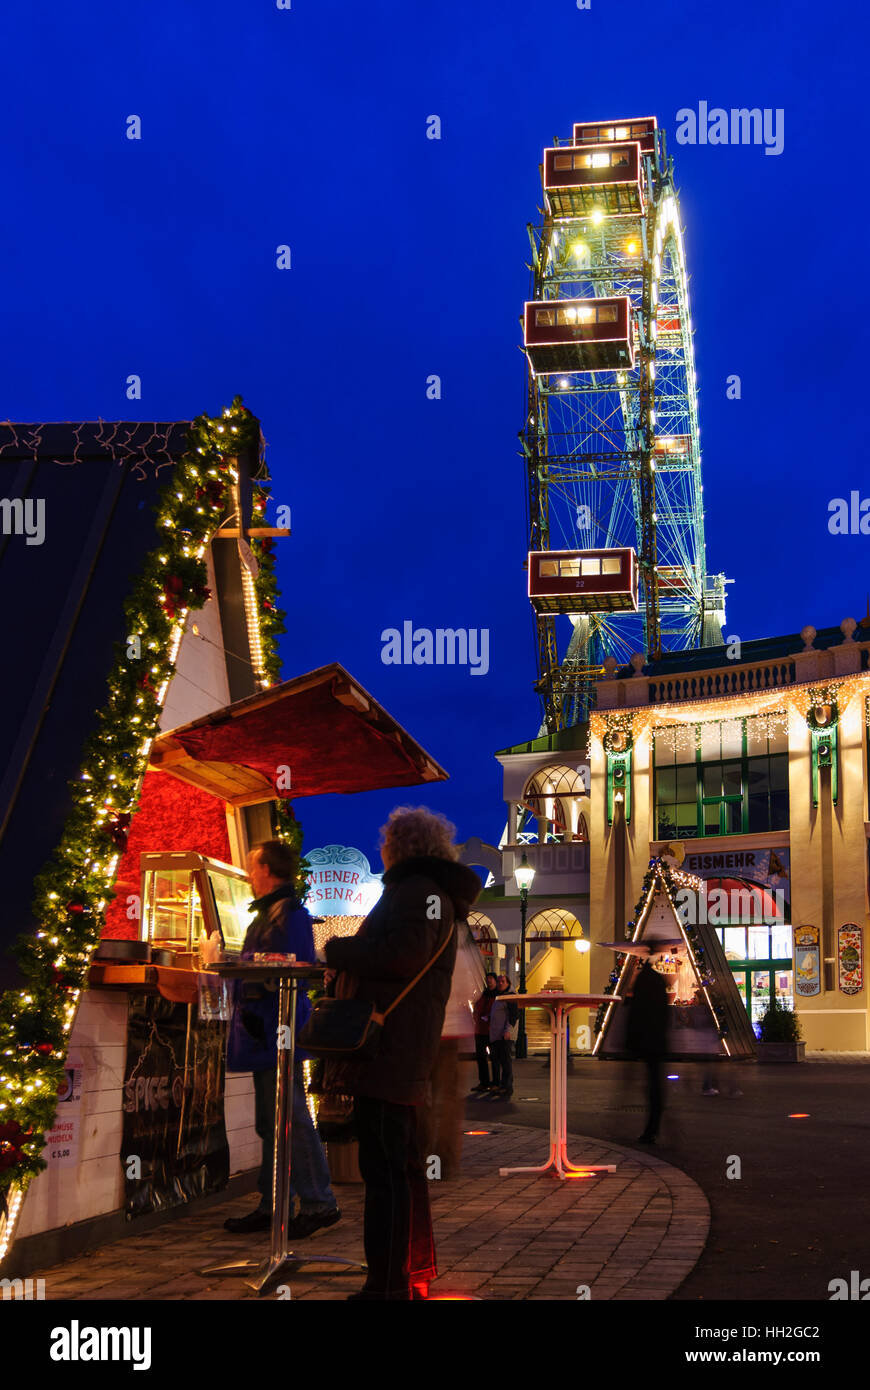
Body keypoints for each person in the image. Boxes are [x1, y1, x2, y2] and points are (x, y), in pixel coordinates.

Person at [323, 806, 481, 1300]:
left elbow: (403, 956)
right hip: (403, 1048)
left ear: (402, 845)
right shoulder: (427, 893)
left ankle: (385, 1284)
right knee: (400, 1165)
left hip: (391, 1049)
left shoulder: (417, 893)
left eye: (386, 840)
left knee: (387, 1169)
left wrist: (338, 949)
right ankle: (405, 1272)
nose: (381, 848)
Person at [224, 839, 340, 1237]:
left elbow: (289, 968)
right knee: (271, 1121)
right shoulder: (277, 911)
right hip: (268, 1029)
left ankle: (317, 1201)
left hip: (276, 1029)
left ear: (268, 870)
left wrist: (245, 970)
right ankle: (274, 1202)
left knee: (289, 1117)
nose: (249, 875)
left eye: (253, 867)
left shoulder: (287, 913)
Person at [419, 919, 485, 1178]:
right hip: (454, 1032)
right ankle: (444, 1161)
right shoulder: (461, 955)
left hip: (425, 1031)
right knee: (448, 1102)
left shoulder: (424, 951)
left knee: (421, 1097)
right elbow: (475, 990)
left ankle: (421, 1154)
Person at [625, 948, 671, 1145]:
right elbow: (663, 1012)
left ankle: (652, 1128)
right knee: (654, 1083)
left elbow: (637, 1013)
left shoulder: (644, 980)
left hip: (647, 1040)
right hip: (656, 1040)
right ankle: (654, 1126)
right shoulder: (657, 980)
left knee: (652, 1085)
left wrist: (631, 1039)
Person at [485, 973, 519, 1100]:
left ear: (508, 983)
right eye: (498, 981)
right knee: (498, 1060)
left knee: (505, 1062)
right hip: (496, 1035)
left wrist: (508, 1030)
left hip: (504, 1035)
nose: (500, 983)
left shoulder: (510, 997)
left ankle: (507, 1086)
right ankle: (501, 1085)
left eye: (502, 981)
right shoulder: (499, 997)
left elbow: (513, 1016)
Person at [471, 972, 498, 1092]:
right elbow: (477, 1008)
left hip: (492, 1031)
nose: (489, 981)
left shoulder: (497, 995)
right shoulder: (483, 994)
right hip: (480, 1030)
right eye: (488, 979)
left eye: (491, 979)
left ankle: (495, 1083)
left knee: (494, 1058)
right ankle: (484, 1082)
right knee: (481, 1057)